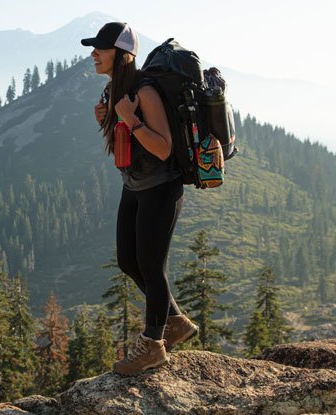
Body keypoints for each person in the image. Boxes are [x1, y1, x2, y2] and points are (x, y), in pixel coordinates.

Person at [82, 21, 199, 376]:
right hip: (134, 185)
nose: (93, 55)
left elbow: (163, 148)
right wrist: (106, 118)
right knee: (128, 262)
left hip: (161, 187)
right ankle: (176, 320)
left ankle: (153, 345)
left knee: (151, 266)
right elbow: (127, 142)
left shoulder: (144, 91)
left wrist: (131, 119)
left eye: (100, 49)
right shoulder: (117, 89)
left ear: (121, 55)